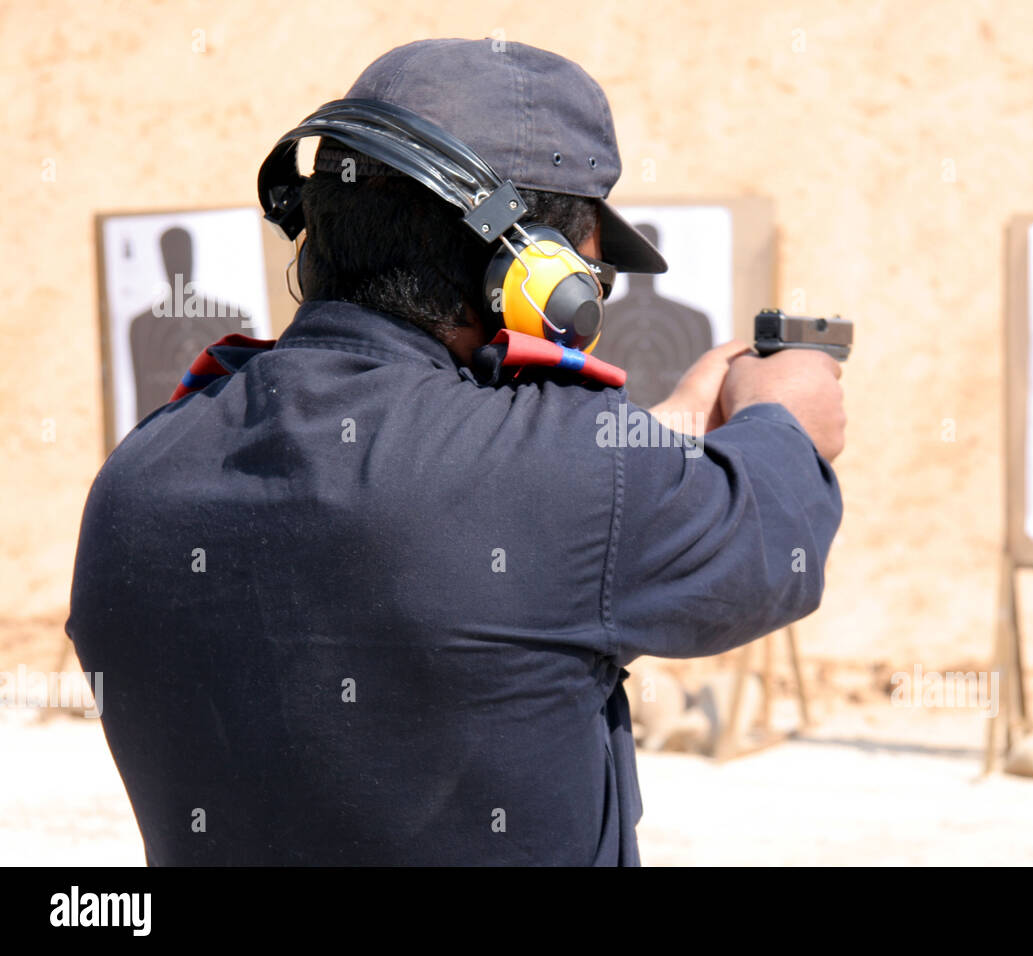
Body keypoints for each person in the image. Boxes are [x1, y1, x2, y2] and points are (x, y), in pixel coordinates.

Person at [66, 37, 846, 866]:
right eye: (594, 275)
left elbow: (466, 509)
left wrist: (665, 427)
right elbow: (773, 545)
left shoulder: (140, 473)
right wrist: (784, 415)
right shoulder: (564, 471)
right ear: (537, 275)